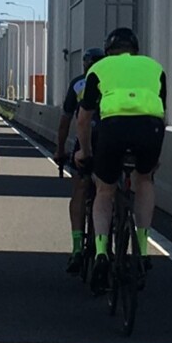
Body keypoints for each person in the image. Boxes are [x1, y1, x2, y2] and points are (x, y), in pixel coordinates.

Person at [77, 25, 166, 289]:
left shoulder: (98, 69)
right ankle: (141, 248)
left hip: (113, 128)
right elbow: (162, 115)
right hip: (149, 129)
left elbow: (83, 119)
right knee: (145, 180)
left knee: (104, 190)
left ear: (107, 51)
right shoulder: (155, 67)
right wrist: (155, 155)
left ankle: (102, 252)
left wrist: (85, 151)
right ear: (136, 51)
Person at [54, 47, 103, 275]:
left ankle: (76, 248)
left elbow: (65, 121)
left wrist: (60, 149)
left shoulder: (78, 84)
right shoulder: (114, 81)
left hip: (86, 140)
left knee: (80, 190)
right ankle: (105, 246)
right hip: (113, 140)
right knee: (108, 190)